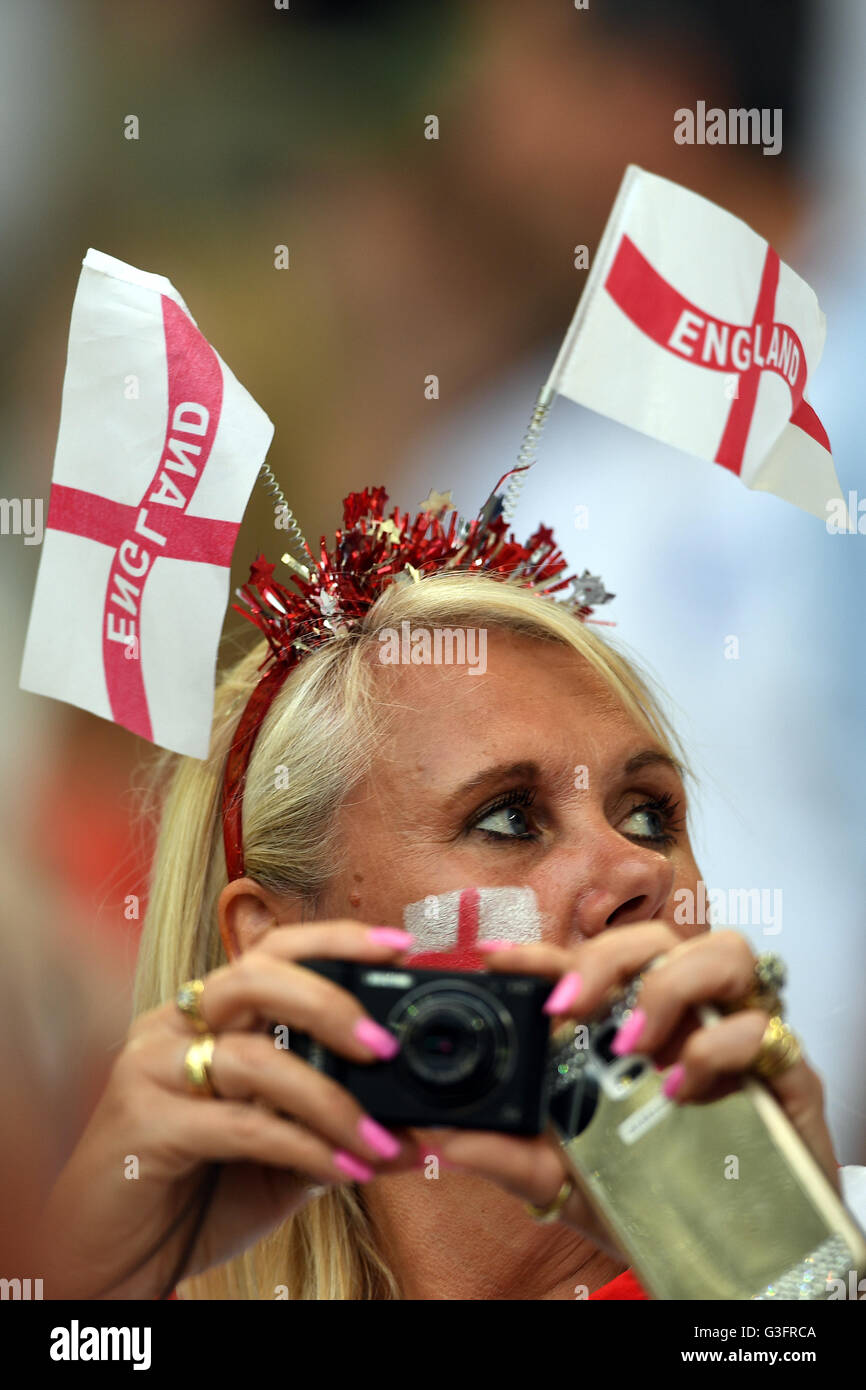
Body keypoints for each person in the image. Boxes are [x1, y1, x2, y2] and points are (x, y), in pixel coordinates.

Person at [37, 491, 858, 1301]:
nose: (641, 872)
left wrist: (785, 1280)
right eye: (508, 818)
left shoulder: (824, 1266)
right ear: (281, 950)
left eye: (648, 815)